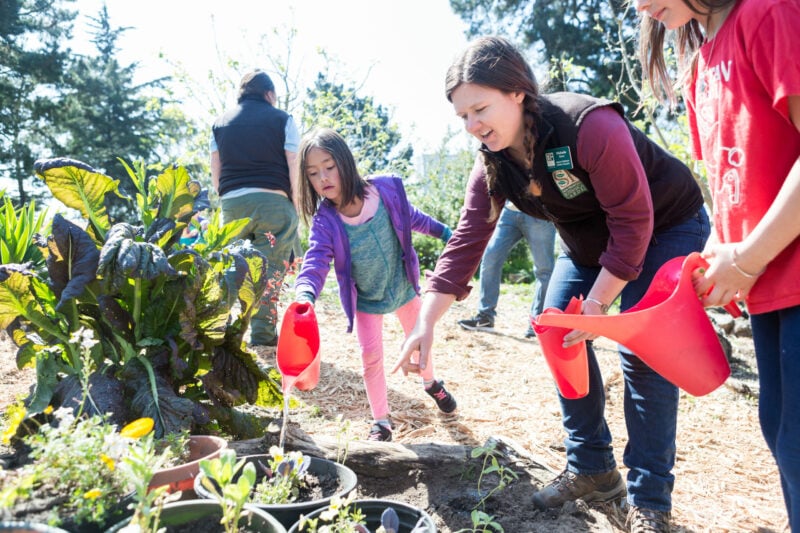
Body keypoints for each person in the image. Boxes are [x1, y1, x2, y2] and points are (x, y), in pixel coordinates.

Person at [393, 36, 710, 533]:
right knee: (555, 328)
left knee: (642, 354)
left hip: (667, 224)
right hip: (591, 245)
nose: (473, 126)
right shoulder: (493, 162)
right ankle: (593, 468)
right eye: (463, 118)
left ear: (517, 92)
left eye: (481, 108)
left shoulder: (589, 125)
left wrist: (601, 304)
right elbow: (467, 239)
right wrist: (425, 323)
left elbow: (634, 220)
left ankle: (650, 501)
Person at [636, 0, 800, 529]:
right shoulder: (701, 63)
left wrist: (747, 261)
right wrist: (713, 256)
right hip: (770, 288)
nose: (638, 5)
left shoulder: (769, 15)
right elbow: (734, 182)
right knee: (782, 436)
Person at [293, 127, 457, 442]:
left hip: (402, 287)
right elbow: (315, 260)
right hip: (367, 299)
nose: (323, 177)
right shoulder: (326, 221)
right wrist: (305, 294)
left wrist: (447, 234)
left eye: (329, 166)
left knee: (421, 340)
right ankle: (381, 421)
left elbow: (414, 218)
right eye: (313, 173)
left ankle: (430, 383)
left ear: (344, 161)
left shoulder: (383, 192)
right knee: (370, 357)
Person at [211, 69, 300, 347]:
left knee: (232, 266)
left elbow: (216, 169)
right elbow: (293, 163)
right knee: (271, 267)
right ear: (269, 94)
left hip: (233, 204)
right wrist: (294, 203)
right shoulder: (283, 119)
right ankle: (262, 335)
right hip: (273, 202)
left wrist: (226, 198)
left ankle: (217, 329)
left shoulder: (219, 123)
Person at [457, 200, 556, 338]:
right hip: (509, 211)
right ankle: (485, 317)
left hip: (539, 214)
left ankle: (537, 323)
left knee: (544, 270)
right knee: (490, 258)